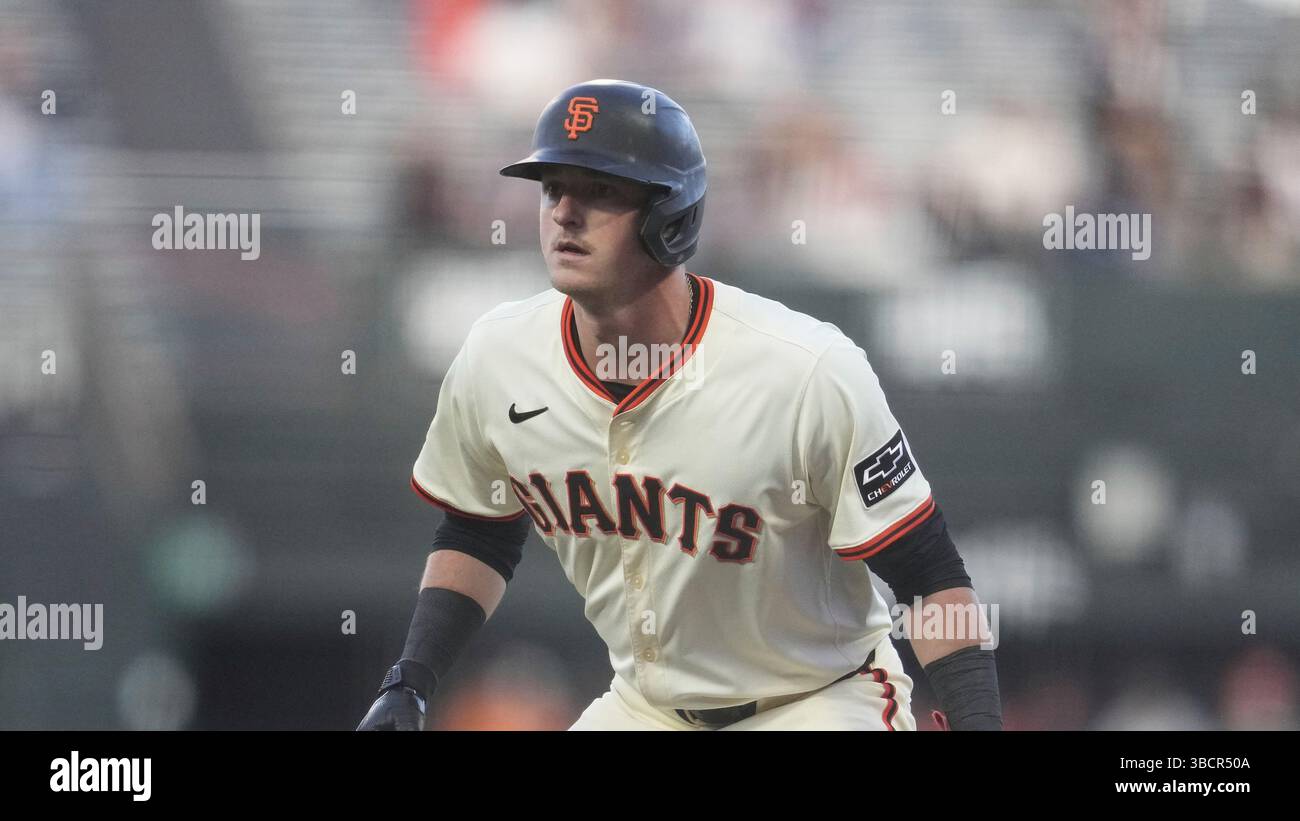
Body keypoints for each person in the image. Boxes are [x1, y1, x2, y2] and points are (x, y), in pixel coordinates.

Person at [357, 79, 1001, 731]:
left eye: (600, 189)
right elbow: (479, 528)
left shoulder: (804, 370)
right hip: (647, 708)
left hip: (817, 699)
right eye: (554, 187)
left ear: (672, 215)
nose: (564, 212)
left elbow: (927, 571)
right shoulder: (500, 356)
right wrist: (410, 680)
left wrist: (977, 719)